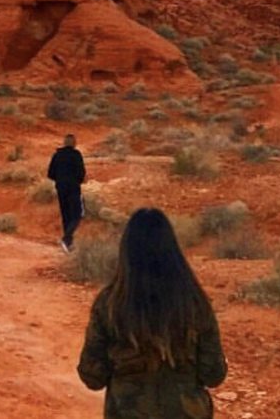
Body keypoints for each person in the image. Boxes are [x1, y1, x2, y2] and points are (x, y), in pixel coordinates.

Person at [77, 207, 227, 418]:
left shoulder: (109, 303)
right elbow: (213, 375)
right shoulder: (194, 302)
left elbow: (92, 376)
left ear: (127, 250)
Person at [47, 133, 86, 252]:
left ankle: (68, 243)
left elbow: (50, 173)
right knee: (78, 214)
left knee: (66, 215)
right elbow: (81, 173)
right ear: (74, 143)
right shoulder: (76, 155)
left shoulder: (57, 155)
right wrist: (77, 181)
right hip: (73, 188)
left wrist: (60, 180)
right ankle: (66, 239)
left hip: (61, 188)